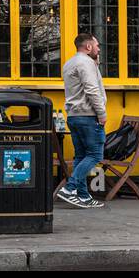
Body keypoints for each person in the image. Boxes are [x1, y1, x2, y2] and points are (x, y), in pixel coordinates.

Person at [57, 33, 107, 209]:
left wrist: (96, 65)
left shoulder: (70, 63)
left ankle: (83, 196)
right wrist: (101, 113)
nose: (99, 48)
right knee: (95, 155)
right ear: (88, 47)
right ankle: (70, 188)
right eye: (97, 45)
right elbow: (92, 90)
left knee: (81, 156)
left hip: (73, 116)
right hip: (88, 115)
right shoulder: (86, 63)